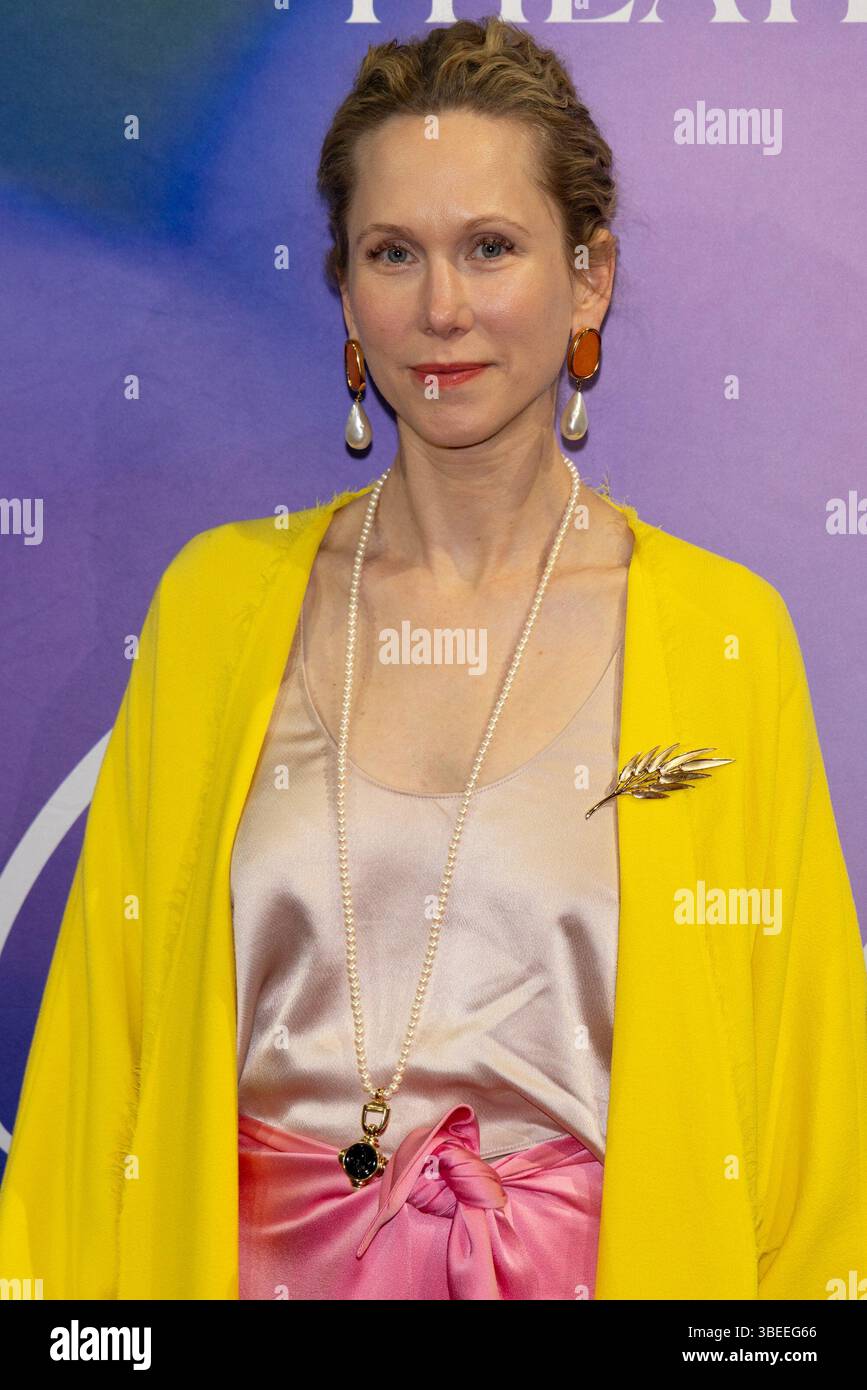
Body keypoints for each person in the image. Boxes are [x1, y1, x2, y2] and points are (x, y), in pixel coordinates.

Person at [1, 17, 864, 1301]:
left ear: (590, 278)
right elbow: (95, 1086)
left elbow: (809, 1144)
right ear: (346, 288)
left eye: (492, 248)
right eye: (393, 252)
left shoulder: (720, 636)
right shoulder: (214, 608)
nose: (441, 307)